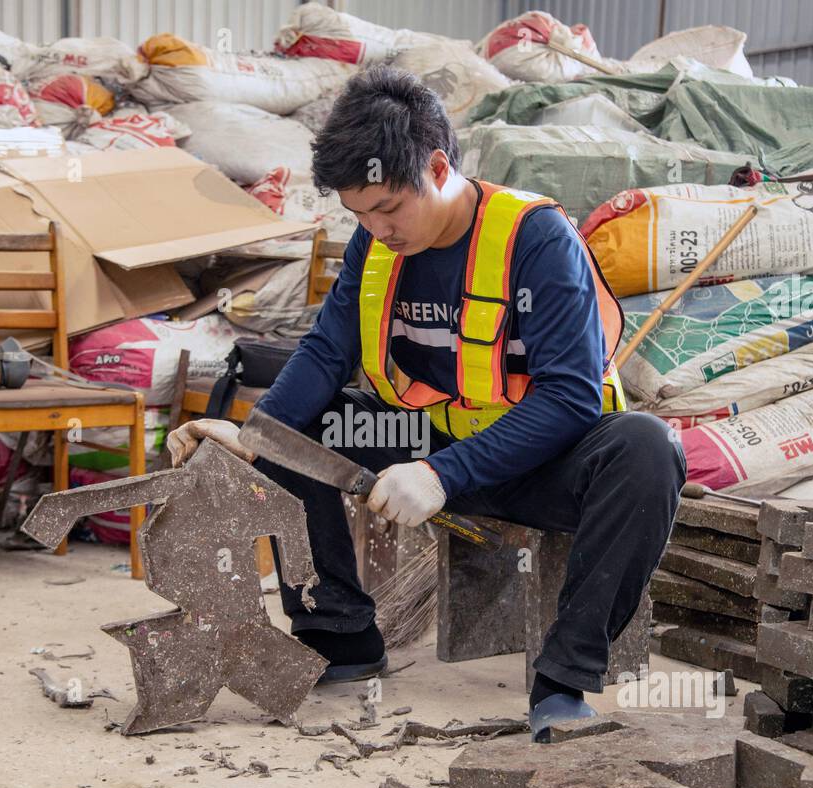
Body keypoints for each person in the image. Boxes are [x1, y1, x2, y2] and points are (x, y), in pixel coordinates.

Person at [167, 67, 686, 741]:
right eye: (359, 214)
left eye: (388, 208)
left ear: (438, 167)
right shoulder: (376, 246)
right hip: (428, 440)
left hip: (541, 462)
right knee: (297, 430)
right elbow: (327, 351)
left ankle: (564, 682)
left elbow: (570, 396)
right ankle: (342, 639)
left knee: (647, 448)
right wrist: (250, 436)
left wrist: (444, 475)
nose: (376, 228)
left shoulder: (535, 238)